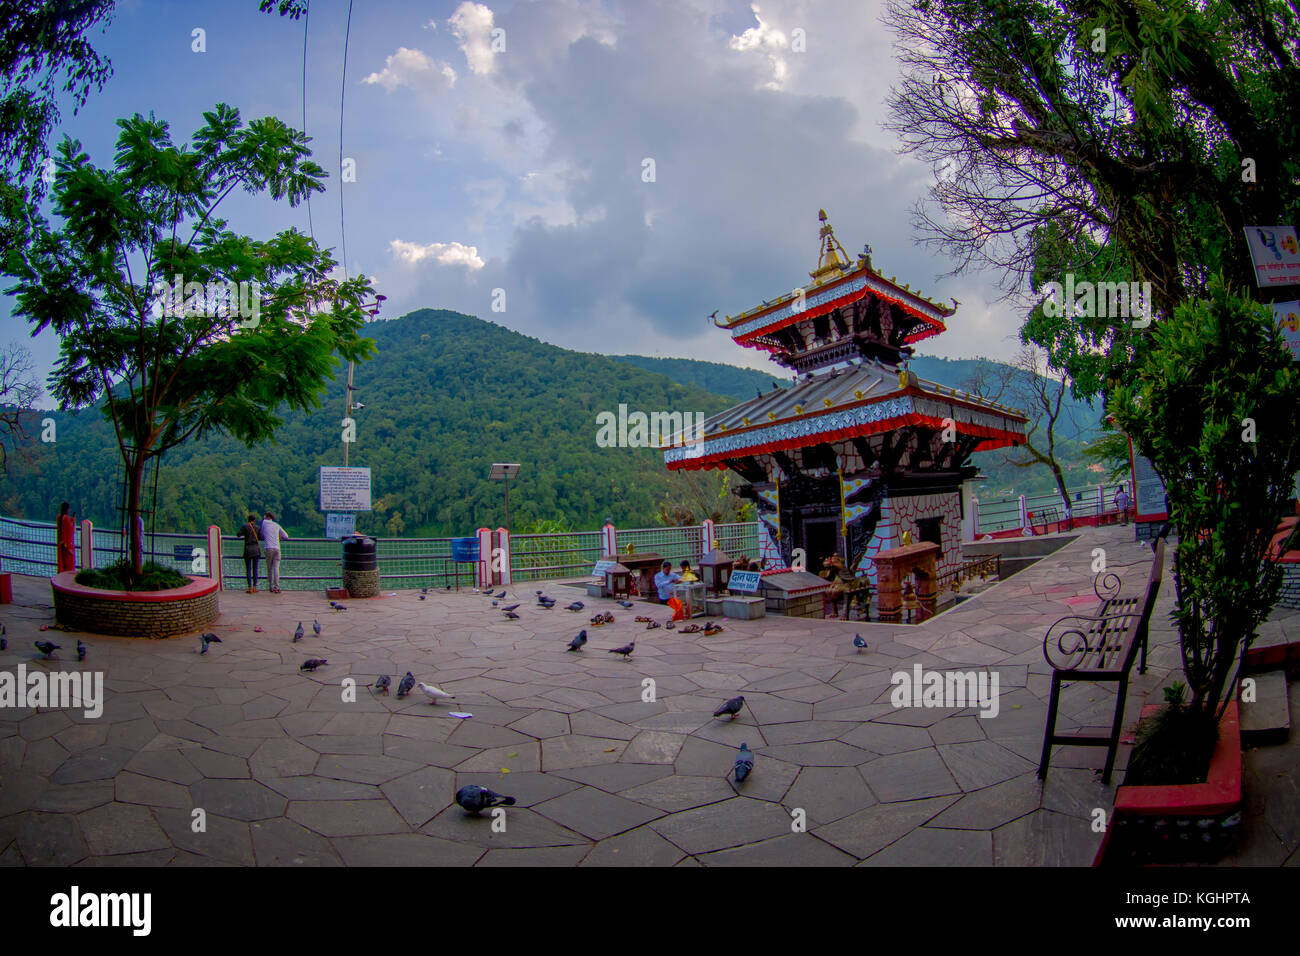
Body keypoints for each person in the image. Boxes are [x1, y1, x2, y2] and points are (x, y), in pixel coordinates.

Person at [261, 511, 289, 593]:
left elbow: (262, 534)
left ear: (266, 516)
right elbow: (286, 536)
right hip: (277, 548)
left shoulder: (264, 523)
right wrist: (279, 537)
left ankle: (271, 586)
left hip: (268, 548)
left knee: (269, 568)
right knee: (276, 568)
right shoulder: (277, 525)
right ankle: (277, 587)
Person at [236, 514, 262, 593]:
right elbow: (260, 537)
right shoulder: (258, 528)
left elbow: (238, 534)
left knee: (248, 569)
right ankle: (255, 587)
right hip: (256, 550)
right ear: (254, 520)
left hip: (248, 549)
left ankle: (249, 587)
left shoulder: (245, 526)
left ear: (248, 519)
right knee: (255, 569)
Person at [56, 502, 76, 573]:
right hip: (67, 547)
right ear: (67, 509)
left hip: (61, 545)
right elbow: (71, 530)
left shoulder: (59, 517)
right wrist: (73, 522)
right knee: (68, 566)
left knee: (62, 564)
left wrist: (70, 520)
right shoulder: (66, 519)